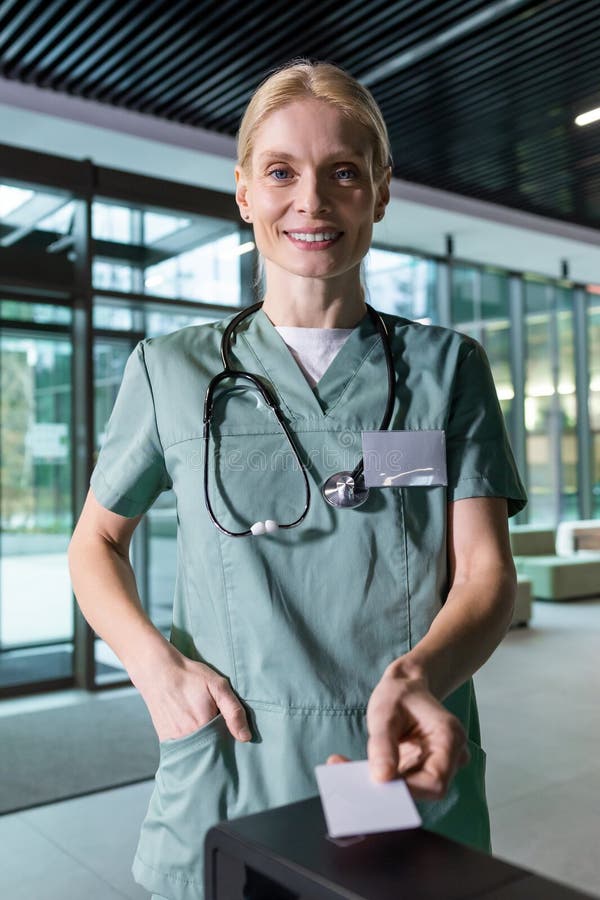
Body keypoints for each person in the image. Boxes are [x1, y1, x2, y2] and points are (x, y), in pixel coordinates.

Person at [68, 59, 527, 900]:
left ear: (380, 192)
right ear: (244, 192)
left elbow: (488, 573)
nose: (310, 201)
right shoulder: (171, 371)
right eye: (281, 172)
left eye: (343, 172)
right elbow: (95, 542)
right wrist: (154, 668)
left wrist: (420, 678)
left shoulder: (445, 369)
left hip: (398, 754)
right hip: (232, 755)